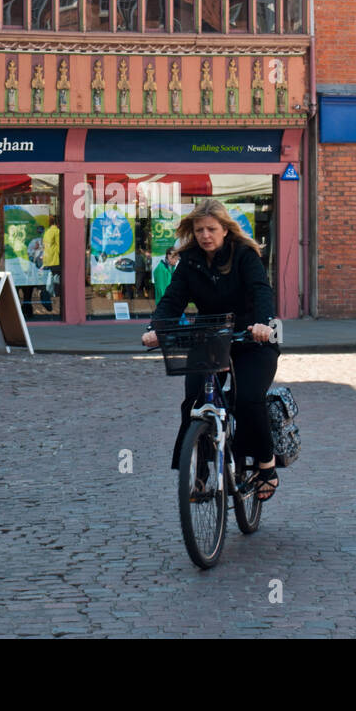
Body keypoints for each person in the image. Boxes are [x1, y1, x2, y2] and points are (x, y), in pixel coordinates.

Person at [141, 200, 280, 501]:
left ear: (225, 229)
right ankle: (200, 475)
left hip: (251, 338)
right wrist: (156, 328)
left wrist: (264, 324)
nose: (205, 235)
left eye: (211, 229)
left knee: (247, 398)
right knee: (193, 401)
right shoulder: (189, 260)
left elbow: (261, 290)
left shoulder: (244, 255)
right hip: (212, 338)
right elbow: (172, 299)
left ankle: (266, 465)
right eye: (199, 229)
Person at [41, 220, 60, 313]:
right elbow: (60, 246)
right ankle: (50, 296)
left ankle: (53, 294)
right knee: (53, 276)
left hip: (46, 258)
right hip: (54, 258)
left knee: (52, 276)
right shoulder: (56, 231)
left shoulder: (47, 231)